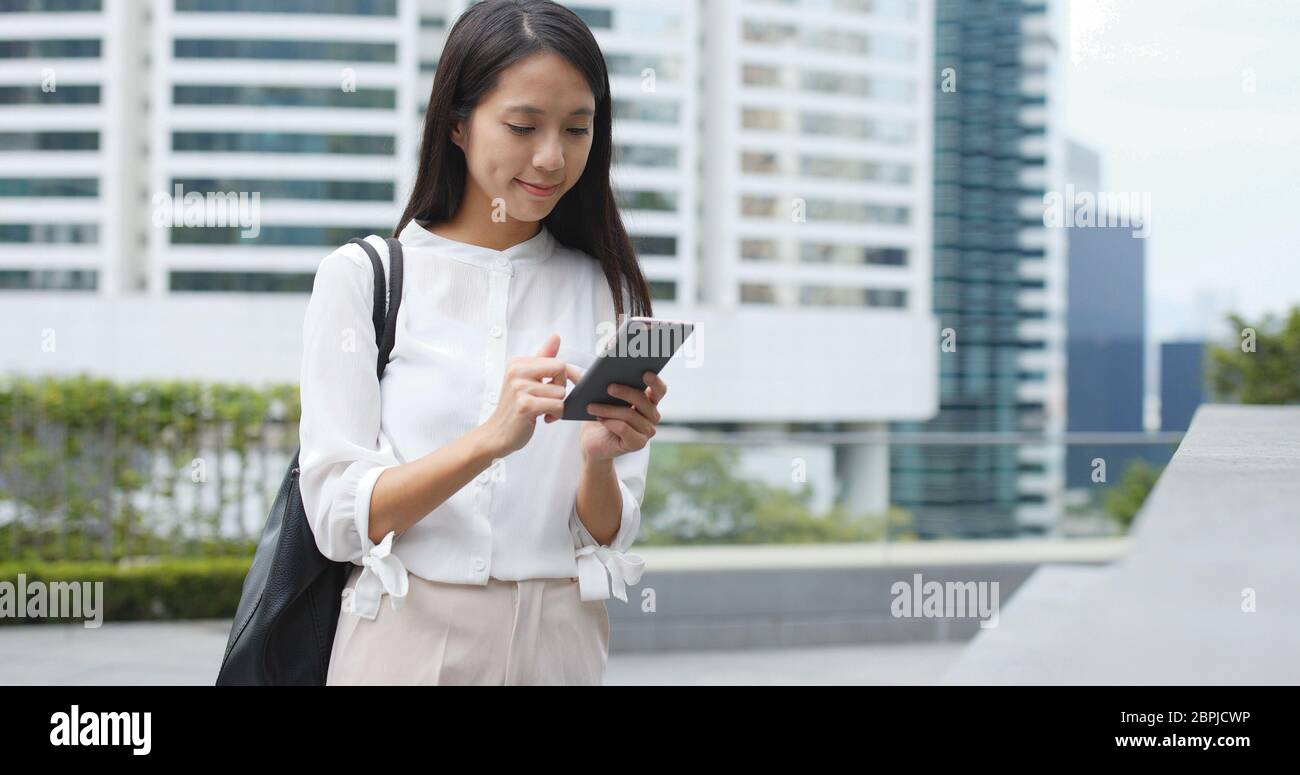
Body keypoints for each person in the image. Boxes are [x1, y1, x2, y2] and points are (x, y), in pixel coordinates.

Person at [297, 0, 664, 685]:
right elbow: (338, 519)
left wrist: (597, 461)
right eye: (523, 125)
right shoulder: (362, 281)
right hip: (407, 639)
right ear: (459, 125)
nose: (551, 158)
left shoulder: (610, 292)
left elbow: (607, 536)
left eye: (577, 129)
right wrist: (489, 438)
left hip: (561, 646)